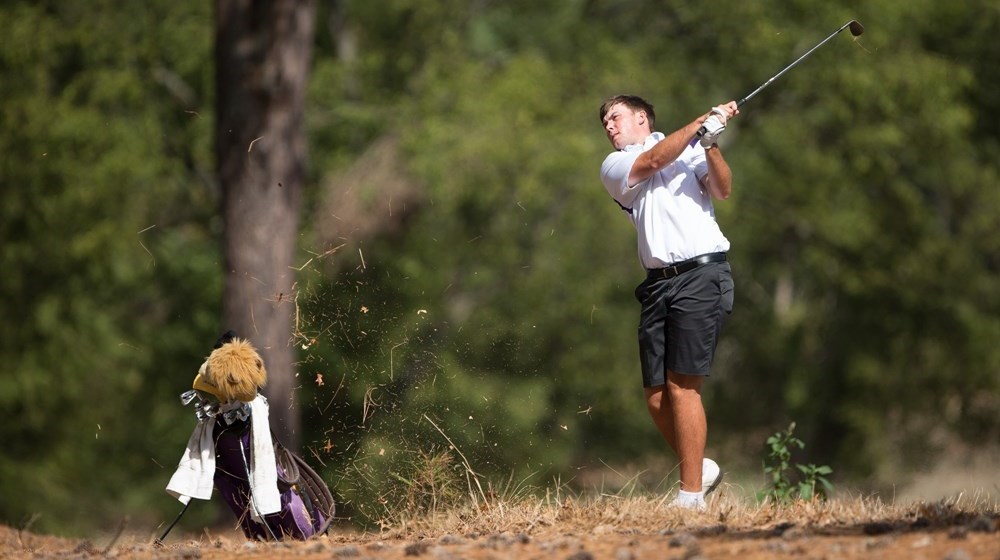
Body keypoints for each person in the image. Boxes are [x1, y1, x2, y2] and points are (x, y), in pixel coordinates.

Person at [598, 95, 738, 510]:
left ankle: (690, 496)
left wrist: (710, 144)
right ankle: (701, 468)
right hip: (658, 284)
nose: (609, 126)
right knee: (656, 396)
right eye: (605, 123)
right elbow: (654, 160)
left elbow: (722, 189)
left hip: (702, 274)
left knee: (682, 387)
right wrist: (699, 124)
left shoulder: (691, 148)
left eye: (615, 117)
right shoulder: (615, 165)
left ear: (641, 117)